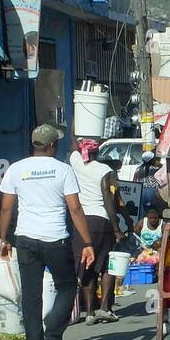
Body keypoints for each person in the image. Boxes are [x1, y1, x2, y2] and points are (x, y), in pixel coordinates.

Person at [0, 125, 96, 340]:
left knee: (31, 297)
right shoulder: (63, 170)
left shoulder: (16, 169)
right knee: (68, 287)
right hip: (55, 239)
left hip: (26, 240)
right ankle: (52, 334)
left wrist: (4, 239)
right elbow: (74, 208)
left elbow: (6, 208)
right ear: (53, 145)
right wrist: (87, 241)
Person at [69, 138, 124, 325]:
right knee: (107, 264)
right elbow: (108, 196)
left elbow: (72, 143)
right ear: (97, 151)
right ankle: (105, 308)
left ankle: (90, 312)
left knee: (87, 266)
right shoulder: (104, 170)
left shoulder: (75, 161)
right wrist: (116, 227)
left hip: (82, 222)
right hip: (101, 220)